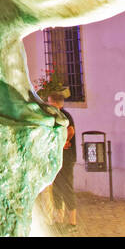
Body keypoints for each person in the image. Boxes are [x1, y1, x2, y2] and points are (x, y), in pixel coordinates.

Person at [48, 89, 78, 232]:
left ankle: (72, 222)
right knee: (57, 188)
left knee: (66, 187)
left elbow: (71, 130)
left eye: (49, 102)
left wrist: (64, 141)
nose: (48, 104)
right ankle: (58, 219)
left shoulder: (64, 115)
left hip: (66, 158)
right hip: (57, 157)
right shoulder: (56, 115)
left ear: (55, 103)